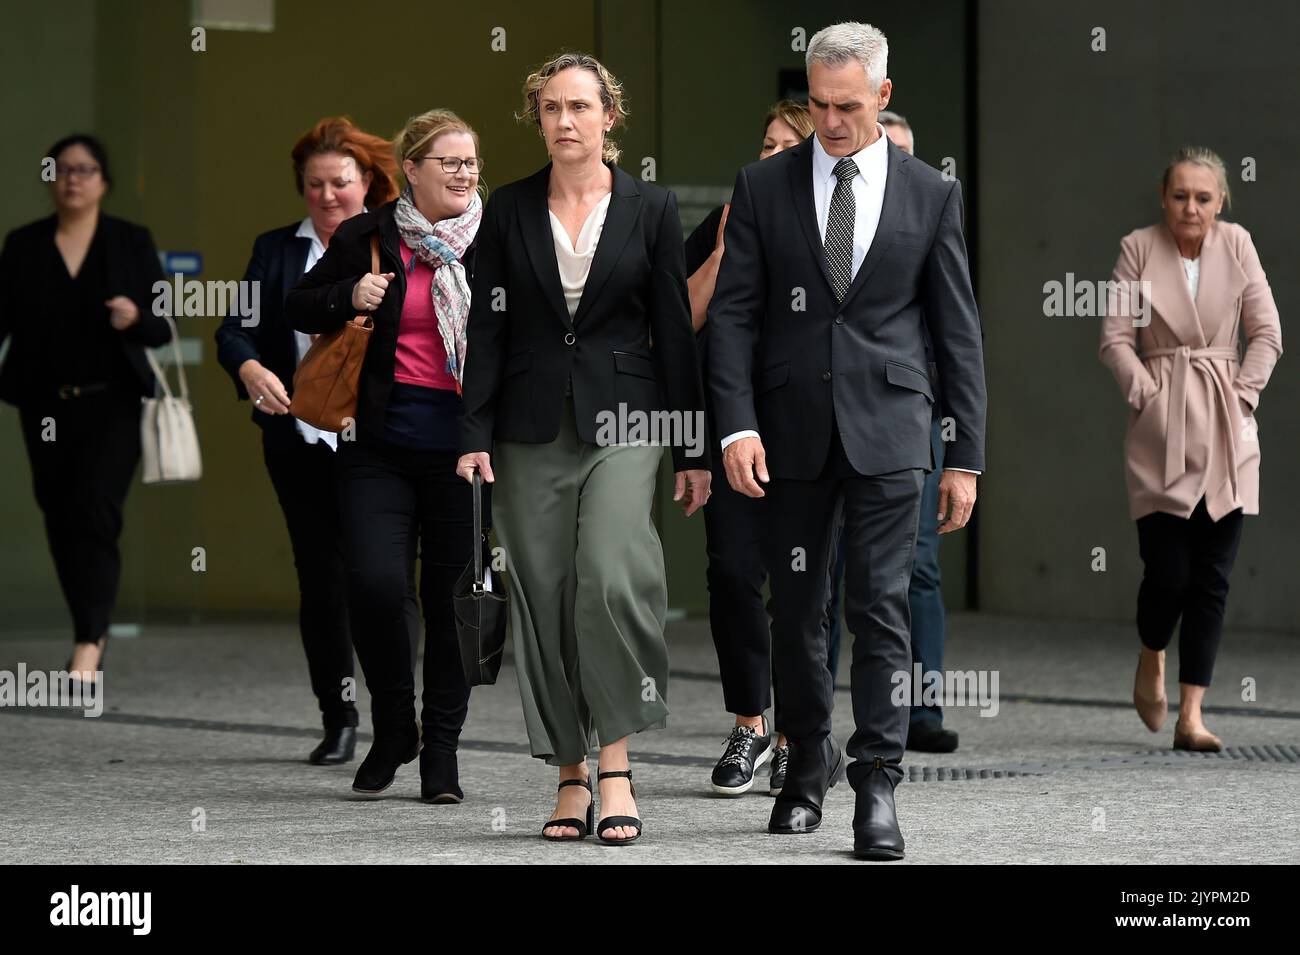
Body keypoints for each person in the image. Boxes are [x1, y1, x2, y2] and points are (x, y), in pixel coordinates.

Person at [708, 22, 987, 861]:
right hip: (787, 433)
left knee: (880, 608)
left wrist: (965, 453)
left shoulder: (932, 192)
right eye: (819, 105)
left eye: (848, 107)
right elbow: (732, 318)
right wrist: (736, 422)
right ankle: (802, 771)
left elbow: (958, 330)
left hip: (893, 431)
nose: (830, 122)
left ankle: (876, 783)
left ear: (884, 97)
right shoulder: (762, 186)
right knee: (796, 612)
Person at [456, 52, 710, 845]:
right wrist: (471, 433)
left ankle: (618, 763)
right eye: (550, 108)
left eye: (579, 107)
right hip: (528, 424)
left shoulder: (651, 206)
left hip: (629, 419)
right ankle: (570, 773)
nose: (565, 121)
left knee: (607, 573)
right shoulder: (508, 207)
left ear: (610, 116)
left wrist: (693, 444)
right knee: (545, 592)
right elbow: (488, 327)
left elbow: (674, 328)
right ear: (537, 118)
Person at [286, 109, 485, 802]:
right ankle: (395, 725)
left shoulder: (493, 240)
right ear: (411, 172)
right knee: (373, 583)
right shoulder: (366, 235)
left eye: (471, 163)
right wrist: (348, 293)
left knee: (451, 601)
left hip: (463, 451)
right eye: (450, 163)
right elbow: (299, 306)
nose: (464, 174)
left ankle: (443, 750)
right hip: (376, 447)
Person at [215, 117, 399, 765]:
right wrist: (250, 367)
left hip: (374, 441)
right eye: (315, 184)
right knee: (320, 579)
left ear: (368, 182)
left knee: (377, 579)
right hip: (295, 435)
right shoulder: (278, 250)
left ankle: (395, 715)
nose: (327, 195)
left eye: (340, 183)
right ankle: (339, 716)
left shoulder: (393, 242)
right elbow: (234, 329)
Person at [1100, 145, 1281, 752]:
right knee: (1168, 572)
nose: (1191, 207)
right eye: (1180, 195)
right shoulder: (1137, 247)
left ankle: (1192, 716)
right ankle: (1152, 653)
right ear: (1163, 196)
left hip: (1229, 429)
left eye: (1203, 197)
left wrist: (1245, 394)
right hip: (1163, 430)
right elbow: (1115, 338)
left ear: (1220, 201)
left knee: (1212, 579)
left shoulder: (1238, 244)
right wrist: (1146, 391)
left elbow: (1267, 332)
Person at [1, 134, 171, 683]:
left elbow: (160, 326)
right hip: (44, 406)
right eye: (62, 169)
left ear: (103, 180)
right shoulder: (23, 244)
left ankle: (89, 644)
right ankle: (87, 626)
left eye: (85, 169)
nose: (73, 178)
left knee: (96, 513)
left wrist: (133, 316)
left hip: (111, 404)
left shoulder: (129, 241)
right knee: (59, 513)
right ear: (50, 179)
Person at [683, 100, 814, 797]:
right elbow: (682, 324)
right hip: (727, 426)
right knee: (733, 573)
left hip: (812, 432)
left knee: (805, 587)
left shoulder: (832, 228)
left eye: (785, 146)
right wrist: (726, 249)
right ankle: (750, 723)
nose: (768, 156)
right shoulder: (726, 221)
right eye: (764, 143)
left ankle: (798, 734)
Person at [824, 109, 960, 753]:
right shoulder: (826, 201)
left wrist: (959, 439)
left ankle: (921, 704)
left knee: (917, 567)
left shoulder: (930, 200)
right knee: (827, 570)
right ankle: (814, 716)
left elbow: (957, 326)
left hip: (912, 416)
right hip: (828, 413)